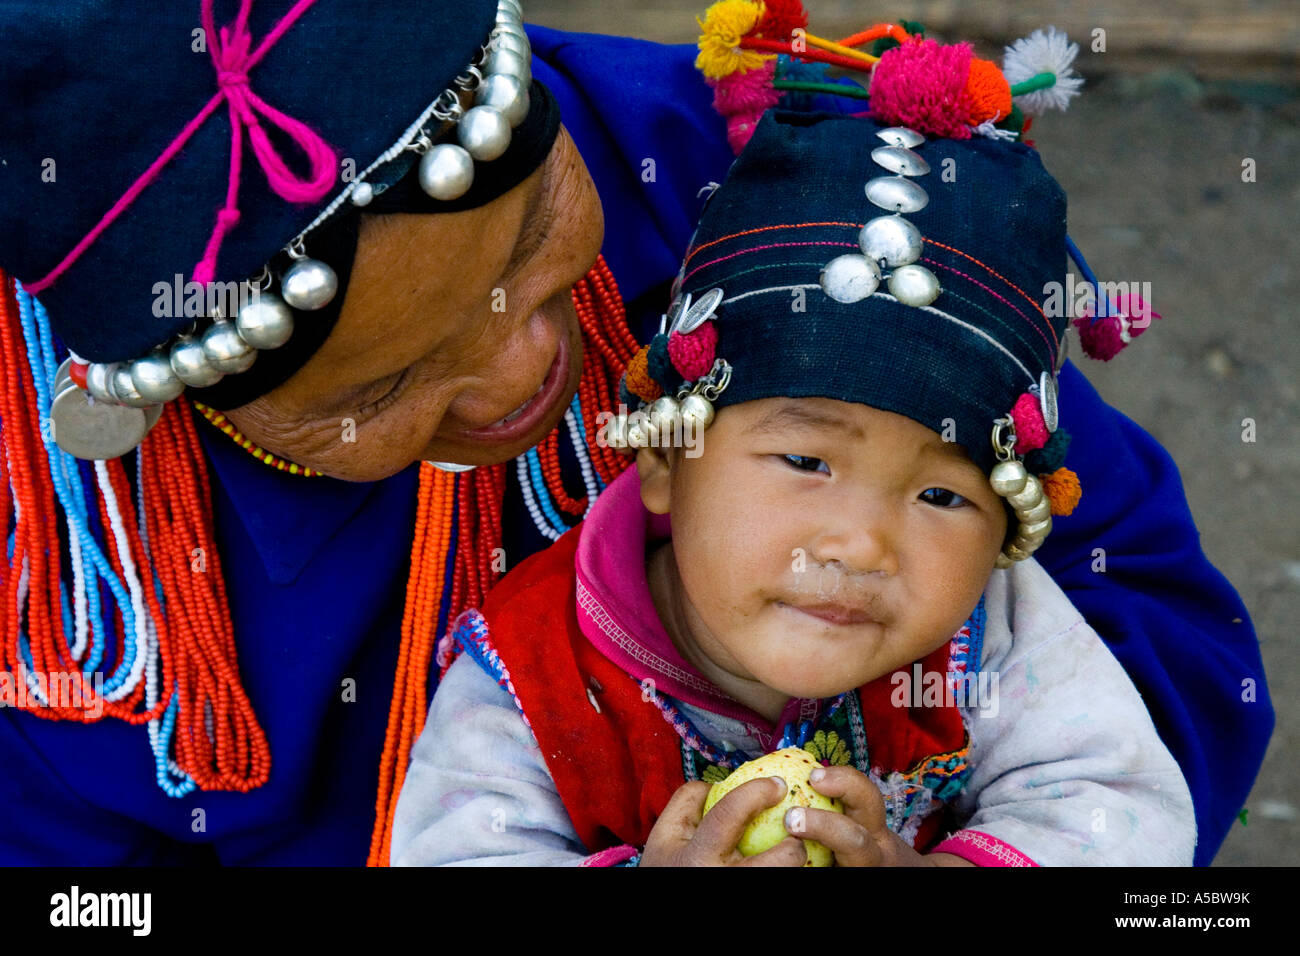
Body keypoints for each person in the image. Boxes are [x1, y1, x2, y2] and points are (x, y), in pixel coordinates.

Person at [0, 0, 1269, 866]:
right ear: (150, 391)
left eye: (531, 242)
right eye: (388, 382)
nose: (529, 370)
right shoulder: (60, 556)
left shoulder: (791, 205)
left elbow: (1155, 630)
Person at [387, 26, 1197, 865]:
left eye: (943, 496)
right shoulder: (528, 675)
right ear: (665, 456)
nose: (861, 544)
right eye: (807, 462)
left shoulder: (995, 631)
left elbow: (1125, 812)